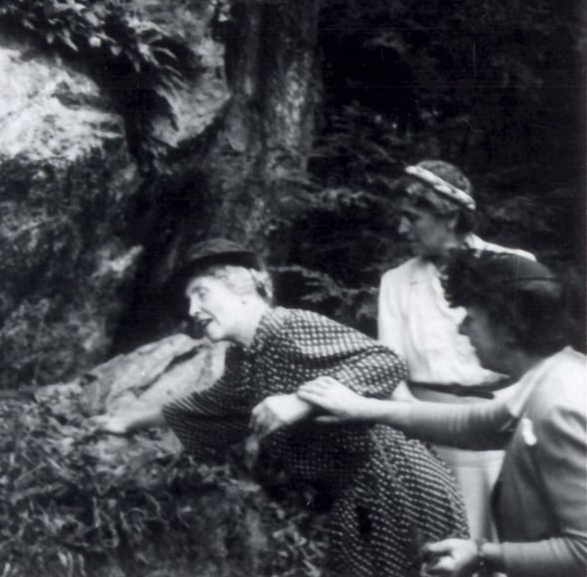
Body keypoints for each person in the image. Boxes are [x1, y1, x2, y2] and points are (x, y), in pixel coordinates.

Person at [97, 238, 468, 577]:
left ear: (242, 288)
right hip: (355, 501)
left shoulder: (290, 328)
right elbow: (204, 407)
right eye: (189, 301)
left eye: (202, 293)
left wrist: (302, 400)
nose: (193, 309)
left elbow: (385, 362)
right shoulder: (244, 361)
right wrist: (130, 421)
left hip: (398, 484)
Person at [299, 249, 586, 577]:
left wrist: (481, 553)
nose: (462, 330)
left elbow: (584, 553)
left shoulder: (560, 406)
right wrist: (360, 407)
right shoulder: (552, 375)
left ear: (509, 327)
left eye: (472, 318)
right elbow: (473, 424)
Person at [377, 160, 535, 540]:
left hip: (504, 431)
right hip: (430, 438)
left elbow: (536, 356)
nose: (402, 229)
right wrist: (414, 438)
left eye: (413, 217)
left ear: (448, 216)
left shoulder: (514, 267)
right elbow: (391, 370)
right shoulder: (396, 283)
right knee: (443, 547)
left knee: (510, 545)